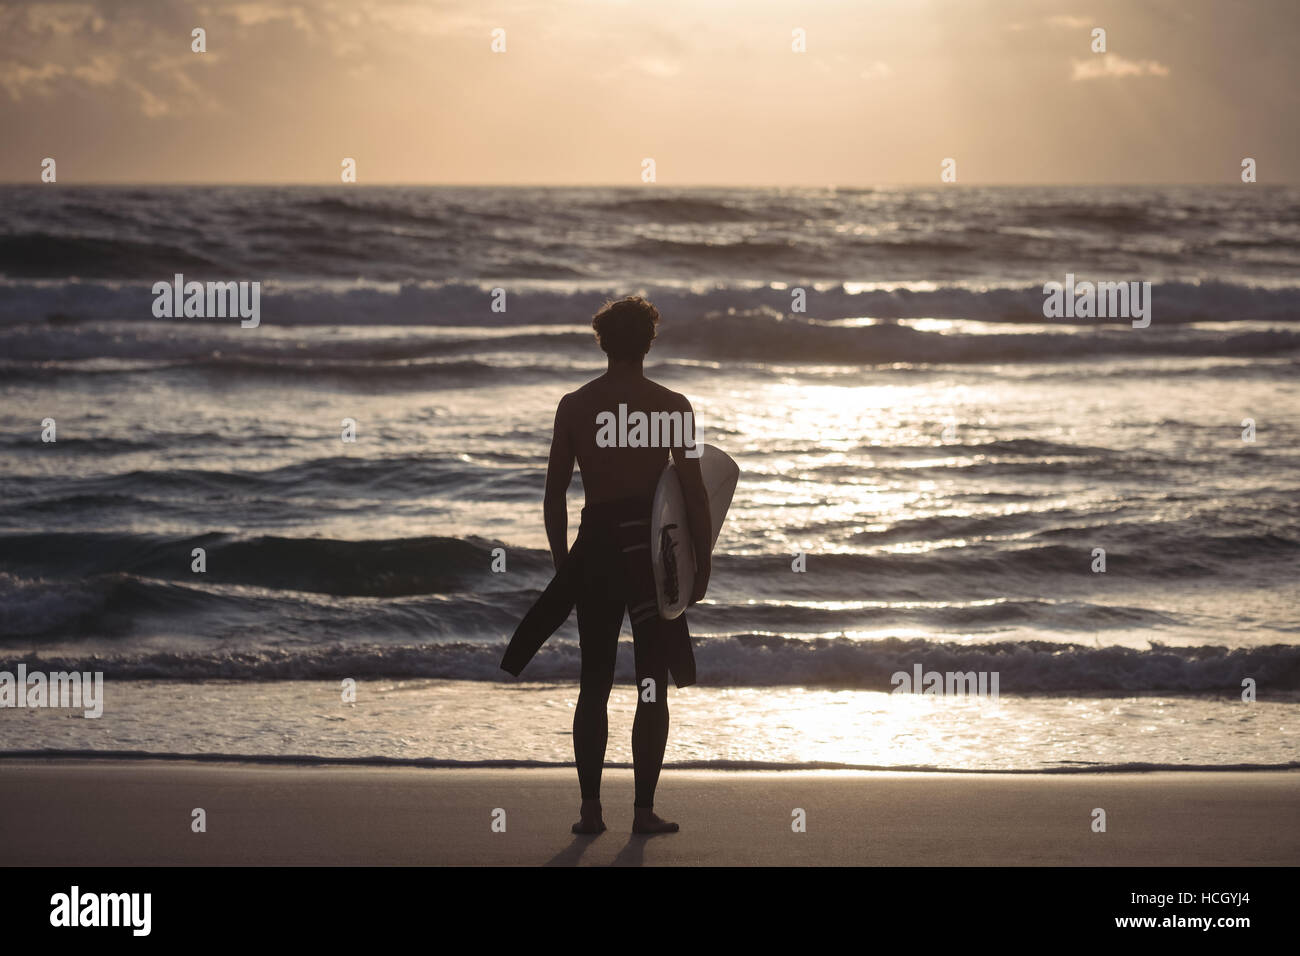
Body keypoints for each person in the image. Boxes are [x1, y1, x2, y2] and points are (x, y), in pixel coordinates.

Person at [501, 295, 711, 835]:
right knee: (651, 685)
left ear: (602, 342)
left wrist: (561, 564)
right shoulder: (673, 406)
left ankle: (590, 813)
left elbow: (553, 496)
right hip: (650, 557)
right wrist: (699, 563)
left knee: (592, 684)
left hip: (593, 553)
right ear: (649, 342)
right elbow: (692, 494)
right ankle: (643, 812)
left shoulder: (575, 405)